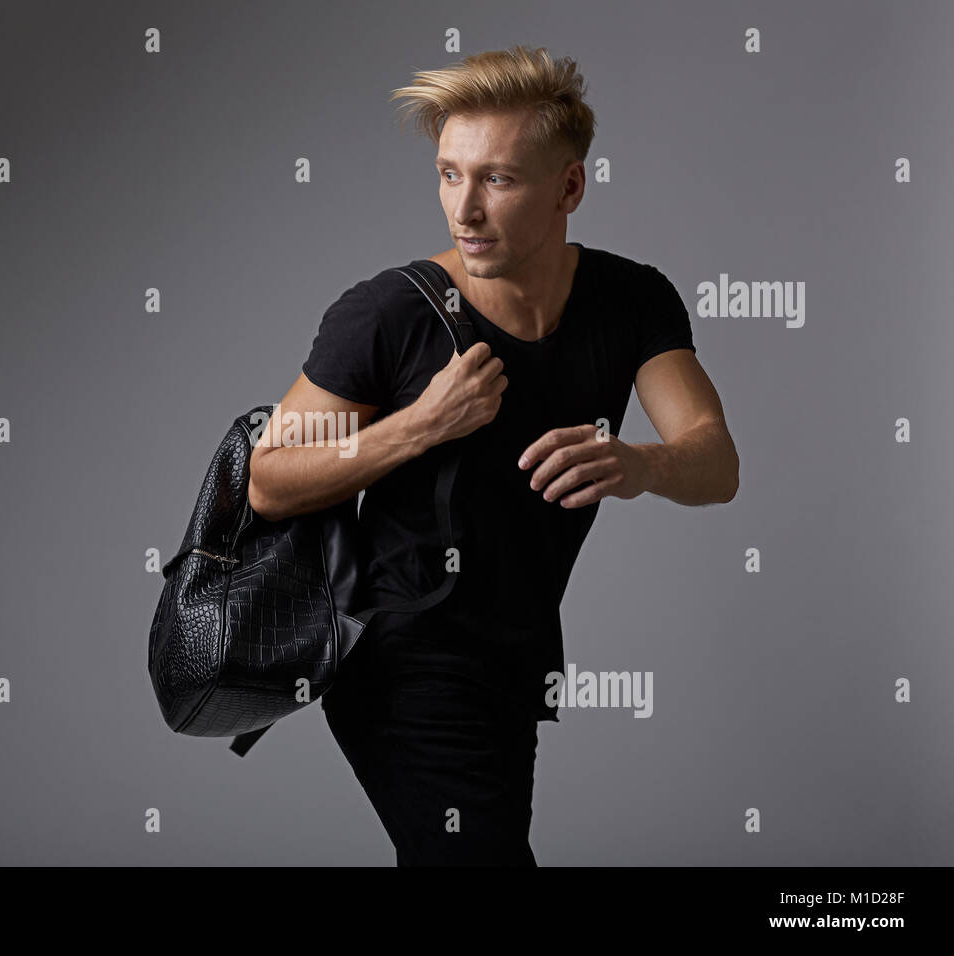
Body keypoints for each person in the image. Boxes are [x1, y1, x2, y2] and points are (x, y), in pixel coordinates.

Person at [246, 45, 739, 866]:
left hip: (517, 658)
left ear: (569, 188)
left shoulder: (630, 301)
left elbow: (715, 462)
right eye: (448, 174)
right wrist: (422, 424)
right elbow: (269, 478)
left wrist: (643, 466)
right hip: (403, 656)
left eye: (497, 180)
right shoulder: (387, 315)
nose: (463, 210)